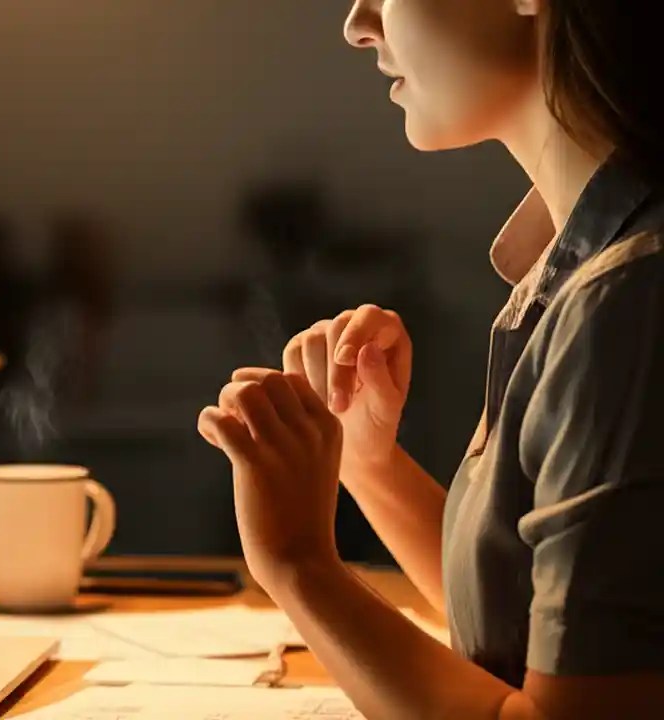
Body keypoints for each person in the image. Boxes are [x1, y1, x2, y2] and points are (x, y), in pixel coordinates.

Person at [197, 1, 664, 718]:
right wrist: (368, 464)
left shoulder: (631, 300)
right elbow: (528, 634)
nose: (359, 22)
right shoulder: (580, 267)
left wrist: (298, 564)